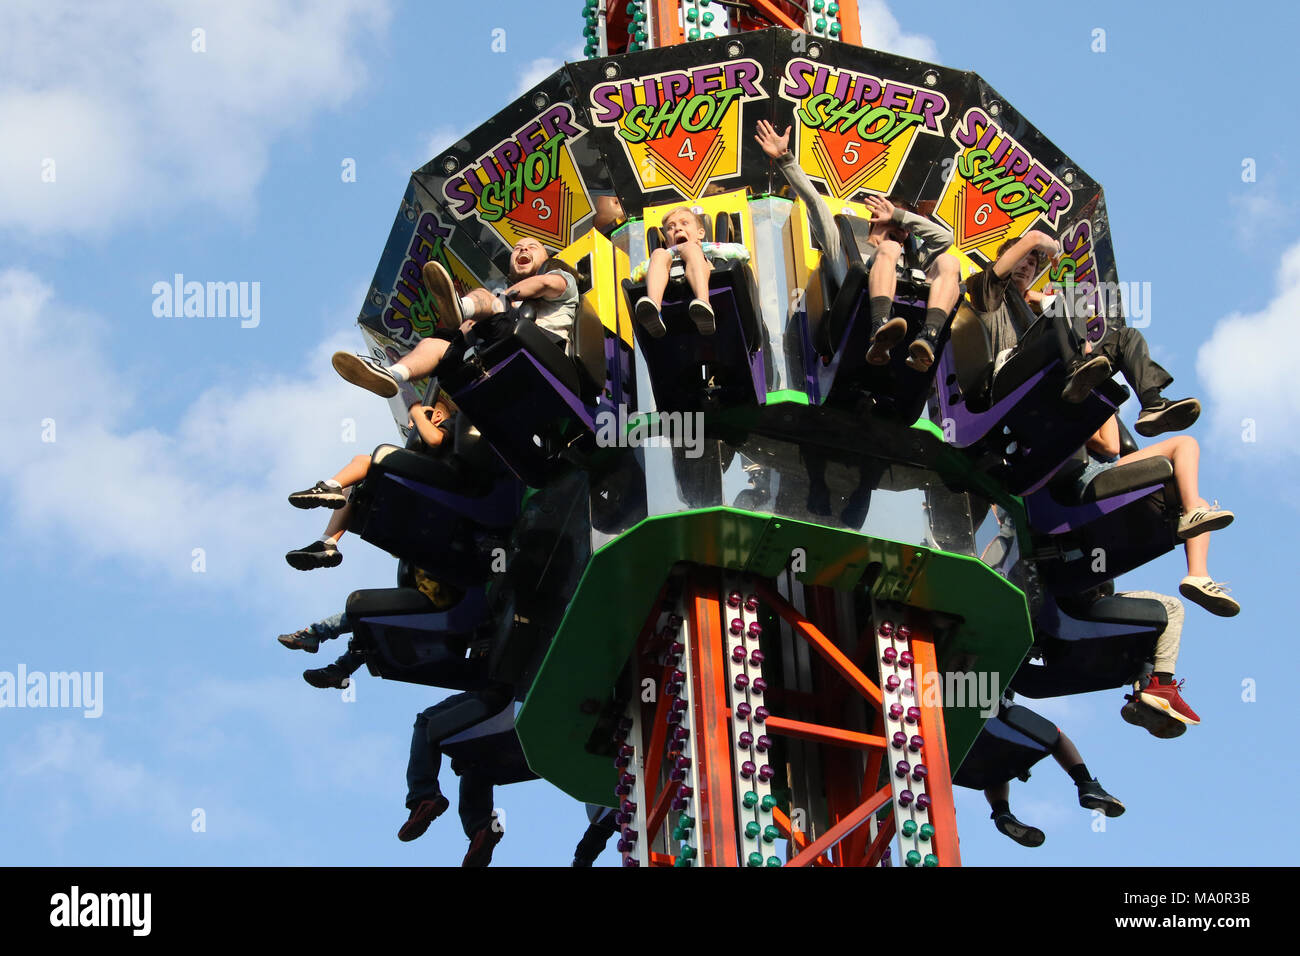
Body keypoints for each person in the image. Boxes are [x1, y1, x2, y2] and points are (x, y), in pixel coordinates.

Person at [755, 119, 960, 371]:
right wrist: (785, 159)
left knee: (949, 261)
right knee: (889, 250)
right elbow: (814, 203)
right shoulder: (844, 245)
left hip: (907, 326)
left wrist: (899, 217)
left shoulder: (912, 261)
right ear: (876, 217)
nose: (903, 230)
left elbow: (945, 239)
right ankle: (879, 329)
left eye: (907, 226)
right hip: (854, 316)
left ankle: (928, 337)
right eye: (894, 218)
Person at [969, 231, 1199, 435]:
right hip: (1007, 380)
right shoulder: (988, 286)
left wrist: (1047, 304)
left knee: (1126, 337)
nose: (1026, 266)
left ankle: (1151, 404)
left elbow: (1085, 347)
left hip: (1050, 382)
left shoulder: (1039, 316)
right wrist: (1053, 251)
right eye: (1021, 257)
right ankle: (1075, 371)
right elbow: (1035, 239)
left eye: (1032, 264)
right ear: (1002, 260)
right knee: (1072, 298)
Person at [331, 239, 579, 399]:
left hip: (541, 353)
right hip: (495, 357)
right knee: (436, 344)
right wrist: (461, 335)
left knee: (486, 296)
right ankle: (391, 375)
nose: (523, 249)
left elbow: (546, 283)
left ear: (546, 258)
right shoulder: (502, 300)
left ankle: (463, 307)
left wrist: (496, 300)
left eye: (531, 247)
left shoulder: (560, 278)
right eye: (517, 248)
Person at [1081, 415, 1238, 616]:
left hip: (1096, 469)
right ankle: (1191, 514)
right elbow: (1110, 446)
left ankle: (1198, 575)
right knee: (1185, 443)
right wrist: (1108, 408)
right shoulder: (1074, 398)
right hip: (1088, 472)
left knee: (1200, 503)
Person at [283, 397, 455, 570]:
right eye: (411, 421)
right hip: (422, 496)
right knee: (351, 489)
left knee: (364, 461)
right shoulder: (421, 453)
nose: (411, 426)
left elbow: (435, 439)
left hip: (444, 491)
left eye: (412, 421)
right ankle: (327, 542)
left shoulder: (451, 426)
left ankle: (330, 485)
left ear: (437, 415)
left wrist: (417, 412)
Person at [277, 564, 463, 688]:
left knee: (363, 610)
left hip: (435, 603)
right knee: (368, 626)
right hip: (424, 601)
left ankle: (316, 634)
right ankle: (340, 667)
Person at [401, 693, 504, 866]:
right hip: (514, 709)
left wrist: (346, 666)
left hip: (501, 693)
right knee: (472, 759)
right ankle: (480, 828)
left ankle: (424, 795)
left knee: (426, 722)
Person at [984, 723, 1124, 848]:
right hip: (992, 719)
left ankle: (1001, 812)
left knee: (993, 767)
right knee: (1056, 736)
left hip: (972, 748)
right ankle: (1086, 784)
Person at [629, 206, 749, 337]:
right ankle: (653, 310)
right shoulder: (665, 254)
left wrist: (705, 247)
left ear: (700, 233)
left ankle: (703, 304)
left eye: (684, 223)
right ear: (667, 241)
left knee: (691, 250)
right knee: (658, 253)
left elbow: (743, 254)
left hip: (714, 290)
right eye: (670, 227)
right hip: (674, 297)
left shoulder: (707, 249)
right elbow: (634, 276)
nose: (678, 228)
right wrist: (667, 254)